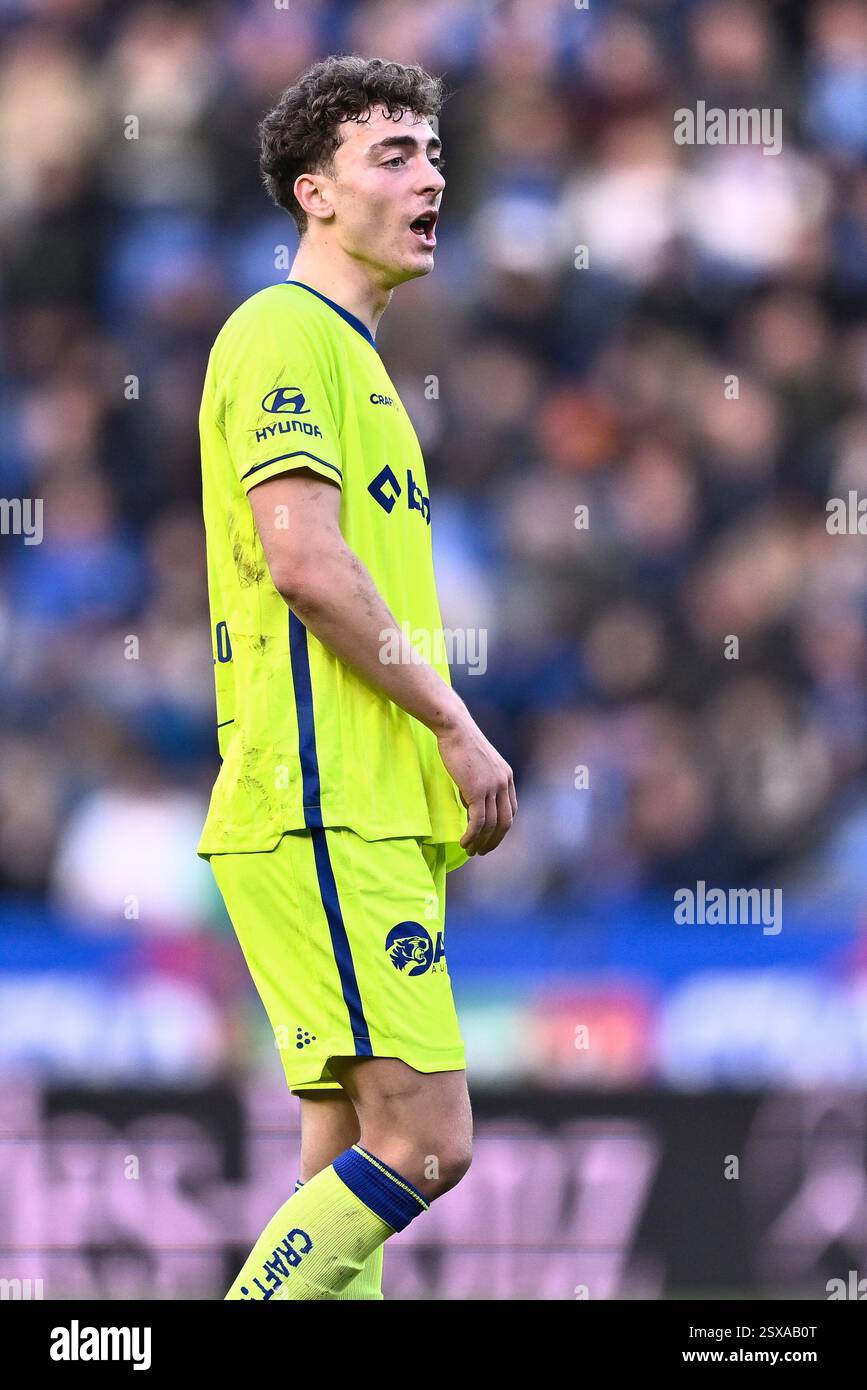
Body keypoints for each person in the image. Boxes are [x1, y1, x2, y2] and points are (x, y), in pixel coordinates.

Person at [197, 54, 516, 1300]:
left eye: (435, 153)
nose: (431, 176)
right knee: (425, 1144)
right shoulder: (283, 330)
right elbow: (304, 564)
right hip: (325, 798)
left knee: (345, 1162)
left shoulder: (361, 363)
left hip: (366, 814)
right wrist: (456, 722)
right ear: (311, 191)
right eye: (394, 154)